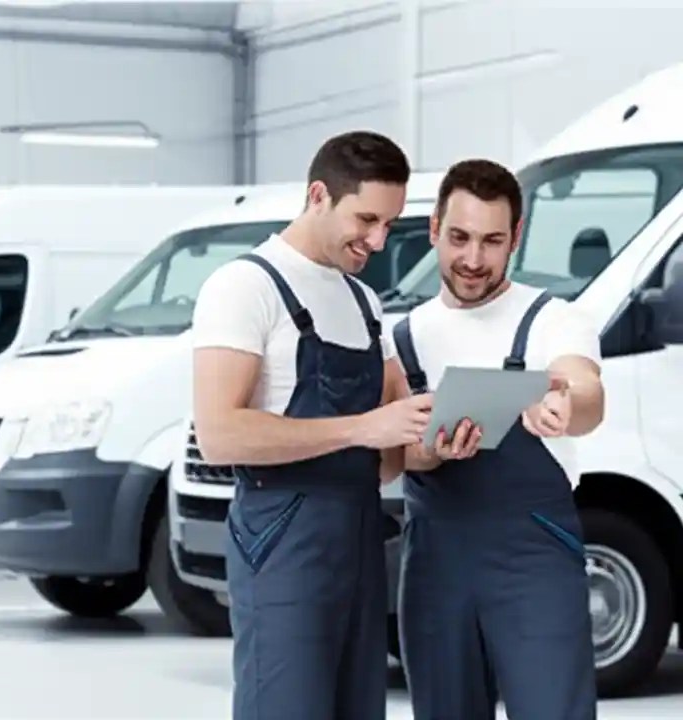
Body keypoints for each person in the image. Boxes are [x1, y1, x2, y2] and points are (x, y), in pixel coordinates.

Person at [191, 130, 434, 720]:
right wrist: (361, 429)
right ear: (319, 194)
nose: (377, 241)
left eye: (389, 224)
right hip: (281, 537)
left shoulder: (363, 302)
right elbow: (220, 434)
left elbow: (388, 452)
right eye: (367, 219)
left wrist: (434, 436)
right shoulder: (244, 287)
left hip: (358, 534)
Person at [390, 158, 604, 720]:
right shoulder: (404, 338)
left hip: (533, 557)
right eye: (459, 237)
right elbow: (396, 452)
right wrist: (432, 451)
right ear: (434, 229)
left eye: (491, 240)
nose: (473, 259)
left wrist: (565, 402)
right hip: (436, 561)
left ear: (517, 236)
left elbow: (585, 387)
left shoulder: (553, 319)